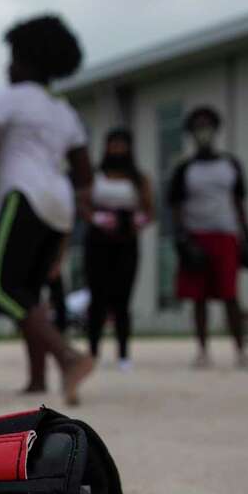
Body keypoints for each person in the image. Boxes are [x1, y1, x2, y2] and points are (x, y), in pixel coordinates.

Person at [0, 15, 96, 403]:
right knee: (29, 292)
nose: (7, 66)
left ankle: (67, 357)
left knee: (1, 289)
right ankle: (36, 379)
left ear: (28, 61)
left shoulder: (12, 97)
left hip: (24, 196)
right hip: (59, 205)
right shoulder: (64, 110)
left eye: (12, 58)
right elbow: (84, 171)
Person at [167, 106, 248, 369]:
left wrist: (247, 232)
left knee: (231, 295)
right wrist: (181, 236)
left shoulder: (231, 164)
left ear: (215, 129)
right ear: (191, 133)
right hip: (196, 237)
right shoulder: (184, 169)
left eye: (207, 125)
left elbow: (239, 201)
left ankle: (241, 351)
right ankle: (203, 351)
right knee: (199, 297)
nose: (203, 131)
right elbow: (175, 206)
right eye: (197, 126)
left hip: (226, 236)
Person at [85, 128, 154, 371]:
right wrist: (96, 219)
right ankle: (92, 351)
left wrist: (139, 222)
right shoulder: (95, 176)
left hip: (126, 238)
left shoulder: (139, 179)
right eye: (113, 144)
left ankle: (124, 353)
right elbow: (82, 203)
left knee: (123, 297)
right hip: (98, 239)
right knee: (97, 297)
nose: (117, 149)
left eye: (122, 145)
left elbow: (150, 210)